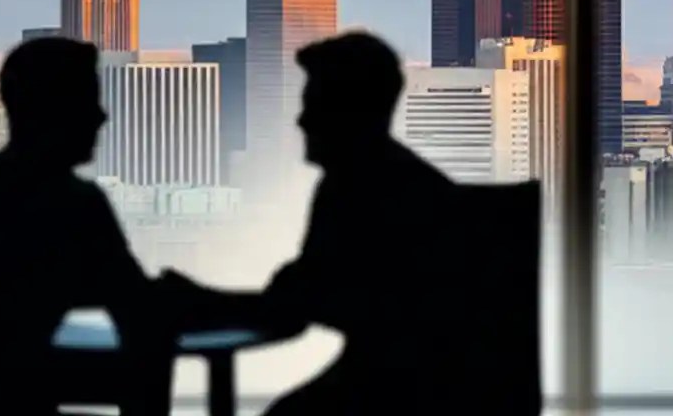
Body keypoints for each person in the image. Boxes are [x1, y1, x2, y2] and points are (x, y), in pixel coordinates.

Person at [161, 31, 540, 414]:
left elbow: (300, 303)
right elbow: (302, 298)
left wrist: (205, 301)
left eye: (315, 104)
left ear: (350, 111)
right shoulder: (383, 180)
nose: (302, 120)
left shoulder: (363, 190)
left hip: (410, 390)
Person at [0, 37, 172, 414]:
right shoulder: (76, 205)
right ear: (54, 110)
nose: (101, 116)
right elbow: (138, 309)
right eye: (88, 99)